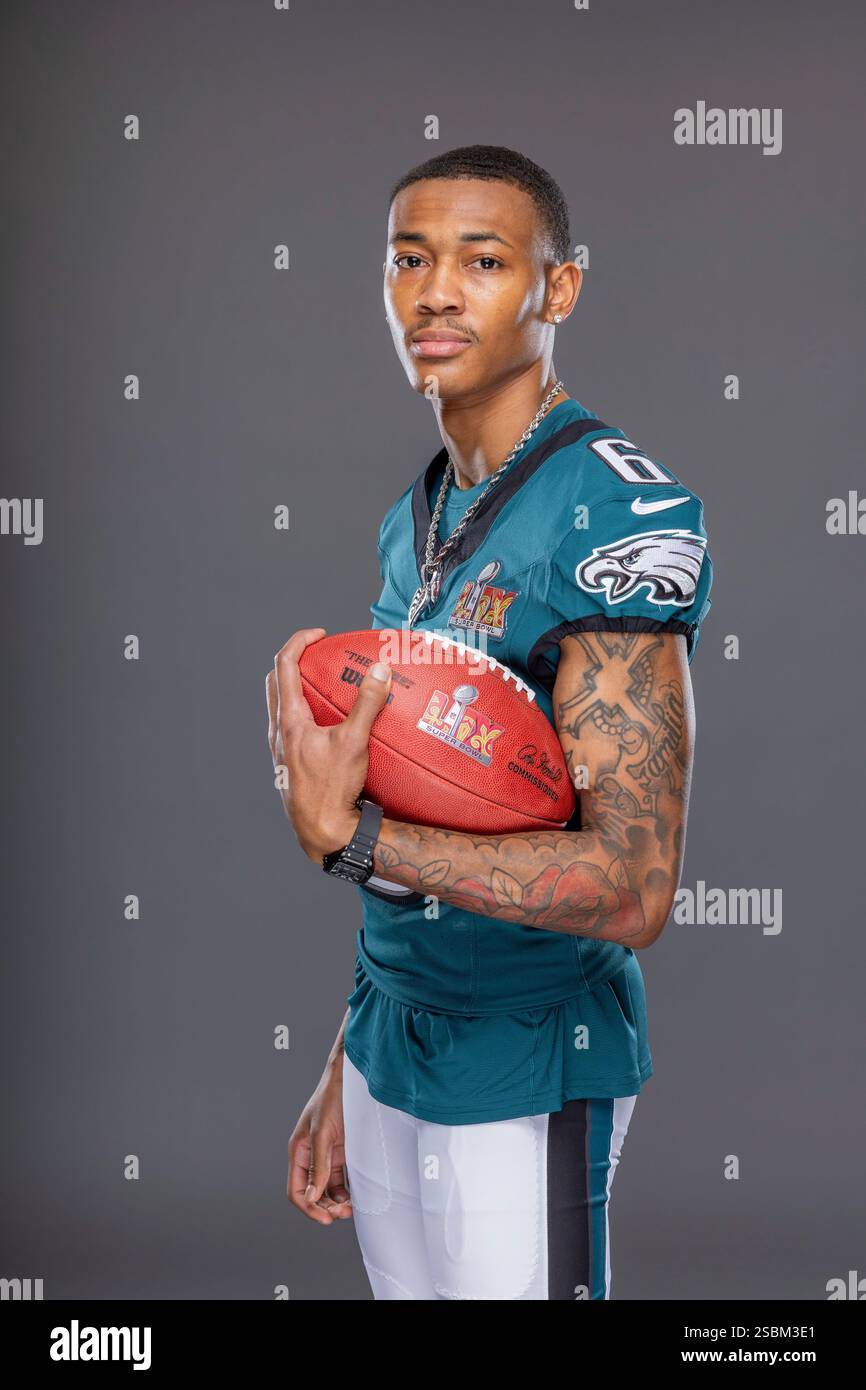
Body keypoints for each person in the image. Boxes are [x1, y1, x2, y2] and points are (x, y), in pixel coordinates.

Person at [266, 144, 713, 1300]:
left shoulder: (610, 508)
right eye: (408, 259)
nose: (434, 292)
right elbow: (421, 795)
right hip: (391, 1035)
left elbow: (632, 883)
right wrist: (345, 1056)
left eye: (482, 260)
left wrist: (351, 840)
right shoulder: (416, 510)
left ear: (555, 289)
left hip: (528, 1054)